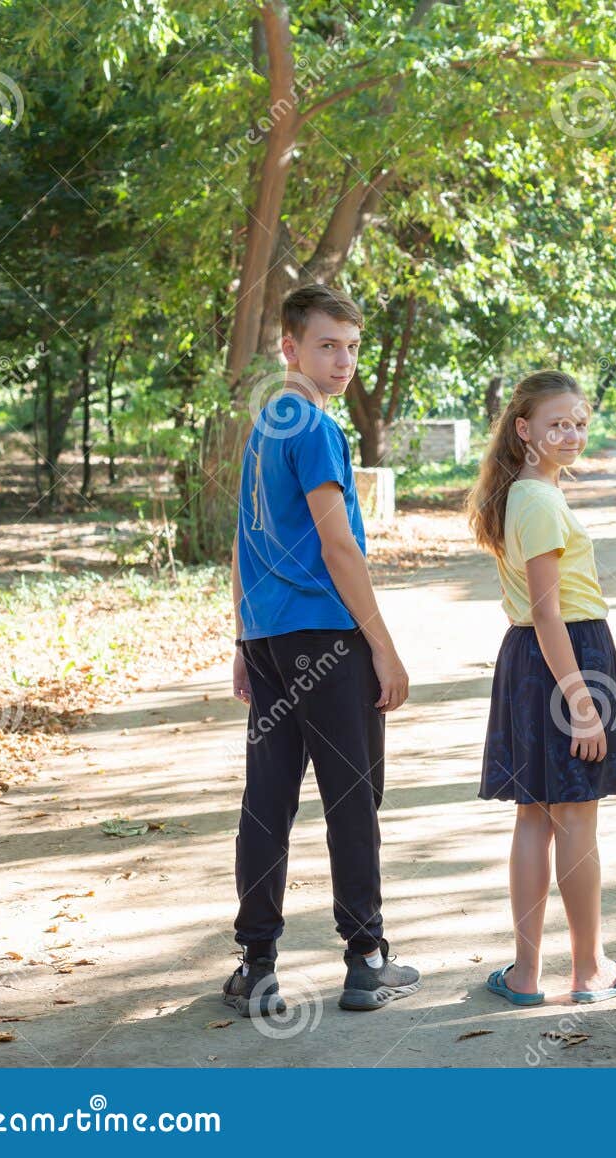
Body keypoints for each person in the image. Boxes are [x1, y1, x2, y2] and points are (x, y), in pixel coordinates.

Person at [226, 283, 420, 1017]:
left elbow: (242, 546)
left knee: (267, 800)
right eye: (327, 346)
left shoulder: (265, 430)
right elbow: (339, 545)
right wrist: (385, 648)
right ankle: (366, 961)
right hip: (326, 640)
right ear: (291, 349)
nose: (342, 361)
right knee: (352, 801)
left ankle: (258, 965)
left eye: (352, 346)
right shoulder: (312, 427)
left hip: (273, 639)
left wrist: (246, 635)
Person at [469, 370, 616, 1007]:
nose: (571, 434)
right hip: (565, 657)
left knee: (536, 816)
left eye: (578, 422)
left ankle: (526, 974)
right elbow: (549, 611)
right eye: (557, 424)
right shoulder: (540, 501)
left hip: (533, 659)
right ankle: (588, 970)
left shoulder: (525, 492)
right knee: (574, 817)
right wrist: (579, 700)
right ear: (525, 430)